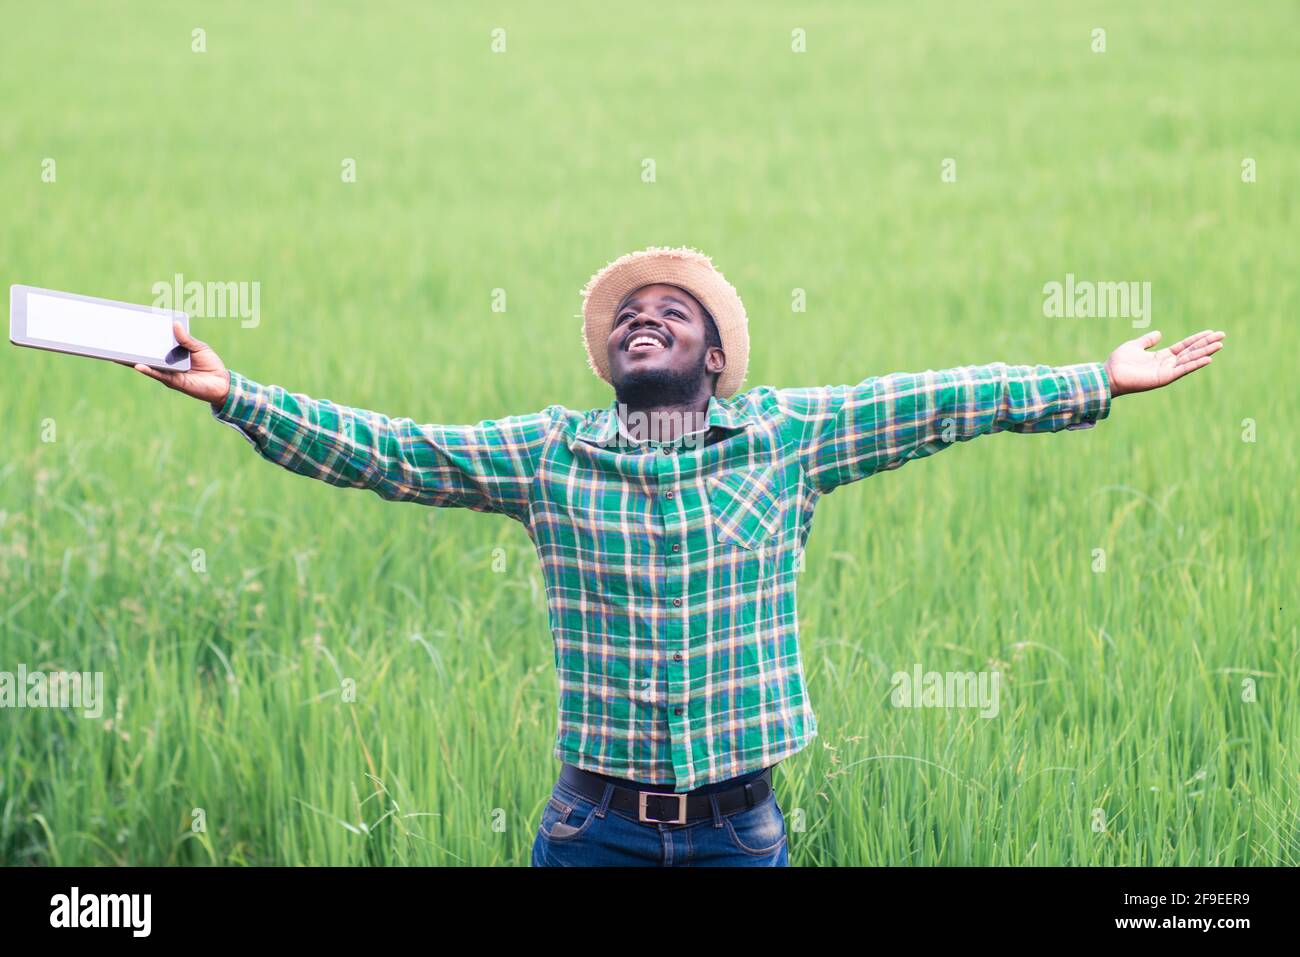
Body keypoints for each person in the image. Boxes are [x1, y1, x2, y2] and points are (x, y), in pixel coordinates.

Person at [131, 245, 1225, 866]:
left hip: (739, 833)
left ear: (713, 359)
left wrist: (1094, 380)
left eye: (671, 313)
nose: (640, 321)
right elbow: (393, 452)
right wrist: (237, 396)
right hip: (590, 830)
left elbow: (942, 399)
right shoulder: (547, 455)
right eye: (627, 317)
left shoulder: (787, 439)